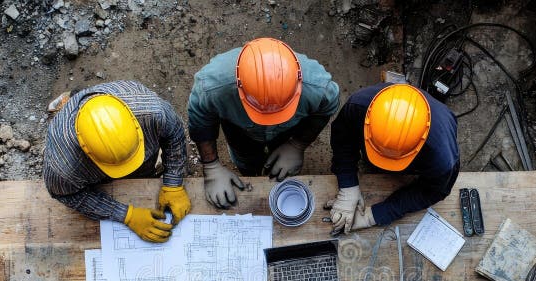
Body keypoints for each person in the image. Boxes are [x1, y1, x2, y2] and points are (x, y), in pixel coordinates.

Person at [188, 38, 340, 209]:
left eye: (276, 113)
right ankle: (248, 169)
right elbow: (200, 118)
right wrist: (211, 167)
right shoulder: (212, 86)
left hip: (288, 130)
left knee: (281, 158)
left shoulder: (318, 87)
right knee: (244, 156)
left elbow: (326, 109)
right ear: (239, 86)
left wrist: (297, 145)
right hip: (239, 130)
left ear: (298, 85)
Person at [44, 80, 191, 243]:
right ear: (85, 151)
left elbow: (174, 133)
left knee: (145, 169)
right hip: (83, 164)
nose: (127, 170)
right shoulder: (62, 166)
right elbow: (68, 195)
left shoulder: (151, 111)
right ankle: (67, 103)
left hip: (144, 151)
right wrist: (126, 215)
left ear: (136, 125)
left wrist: (173, 184)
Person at [325, 82, 460, 233]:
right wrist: (348, 185)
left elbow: (432, 191)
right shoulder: (358, 106)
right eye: (380, 152)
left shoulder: (442, 156)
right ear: (368, 123)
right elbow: (343, 141)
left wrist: (375, 215)